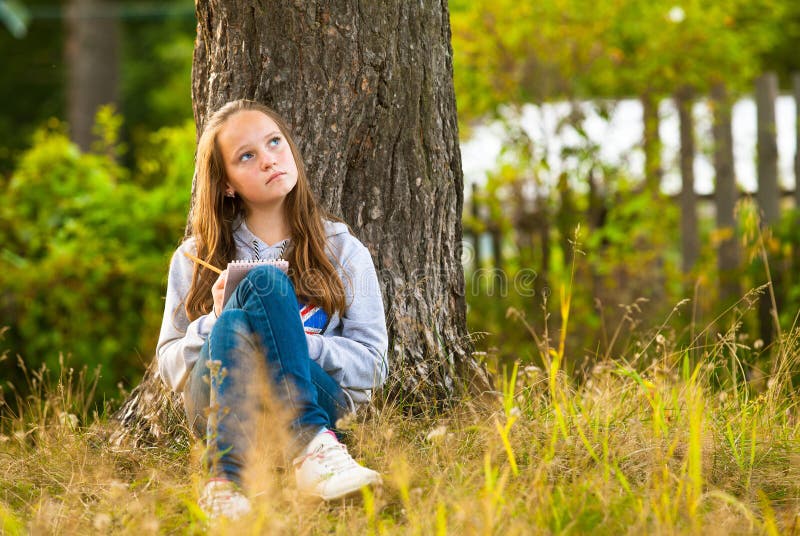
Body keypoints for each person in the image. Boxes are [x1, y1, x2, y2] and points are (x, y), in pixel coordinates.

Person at [155, 99, 388, 519]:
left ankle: (227, 479)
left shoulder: (343, 251)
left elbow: (373, 366)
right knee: (247, 304)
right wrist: (214, 321)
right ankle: (308, 449)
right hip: (219, 402)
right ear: (227, 183)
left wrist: (295, 343)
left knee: (262, 285)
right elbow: (169, 366)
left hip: (319, 396)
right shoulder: (193, 257)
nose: (269, 160)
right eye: (247, 156)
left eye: (274, 143)